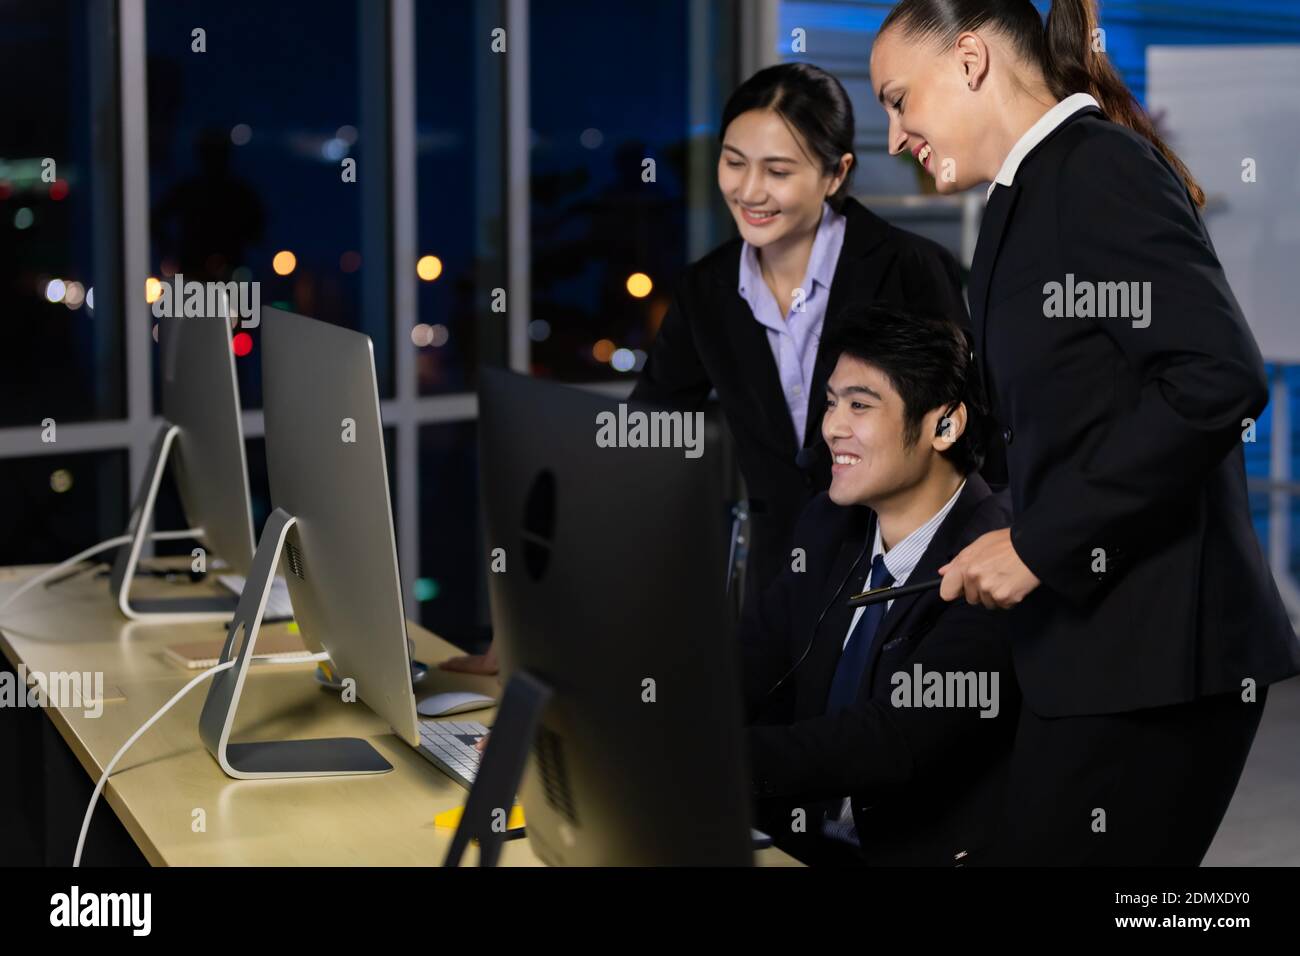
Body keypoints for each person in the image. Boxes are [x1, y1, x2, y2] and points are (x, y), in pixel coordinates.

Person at [870, 0, 1300, 864]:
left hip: (1159, 662)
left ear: (968, 60)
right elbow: (1062, 418)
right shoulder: (1021, 200)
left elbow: (1216, 378)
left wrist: (1038, 544)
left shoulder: (1096, 167)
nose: (892, 137)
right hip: (1092, 647)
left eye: (897, 99)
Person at [442, 61, 968, 675]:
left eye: (778, 170)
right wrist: (540, 617)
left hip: (906, 583)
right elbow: (639, 445)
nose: (748, 190)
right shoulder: (707, 290)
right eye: (734, 161)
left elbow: (970, 439)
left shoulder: (910, 268)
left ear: (835, 174)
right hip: (779, 599)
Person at [742, 306, 1017, 866]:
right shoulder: (827, 525)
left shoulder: (995, 562)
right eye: (831, 402)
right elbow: (751, 658)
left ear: (945, 425)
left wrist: (711, 757)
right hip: (795, 843)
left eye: (859, 405)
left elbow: (893, 740)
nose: (832, 427)